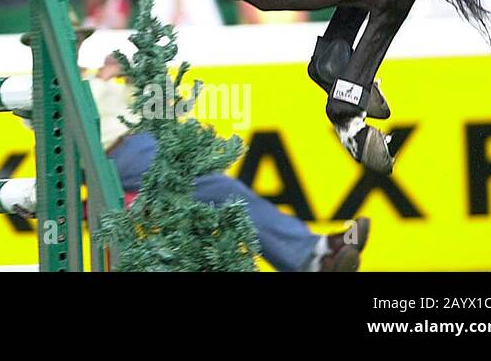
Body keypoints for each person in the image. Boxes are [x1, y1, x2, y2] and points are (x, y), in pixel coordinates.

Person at [89, 53, 372, 271]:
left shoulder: (92, 80)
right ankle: (313, 254)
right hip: (123, 151)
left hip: (148, 142)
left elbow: (162, 108)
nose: (75, 42)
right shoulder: (73, 86)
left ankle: (315, 254)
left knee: (225, 197)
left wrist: (136, 79)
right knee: (223, 194)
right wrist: (104, 79)